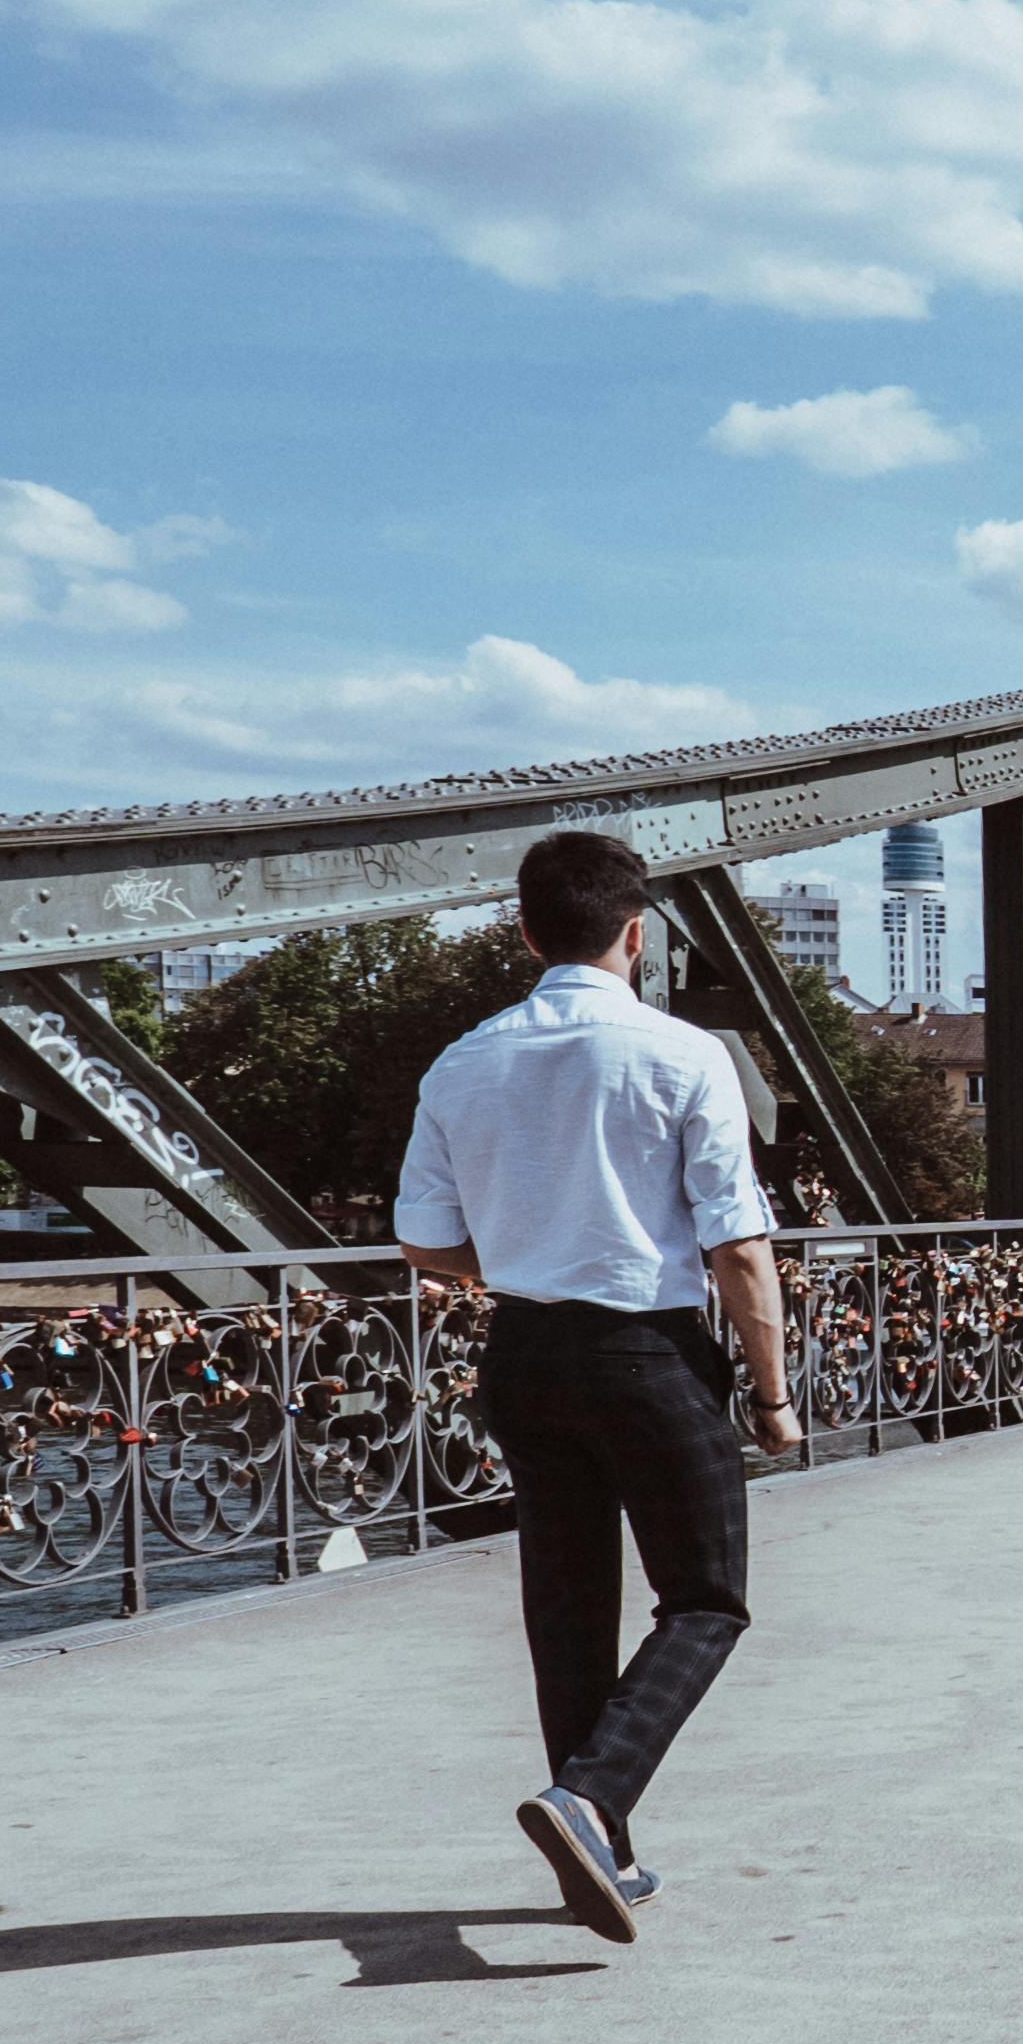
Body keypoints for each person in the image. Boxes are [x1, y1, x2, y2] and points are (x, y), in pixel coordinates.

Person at [393, 830, 796, 1947]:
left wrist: (527, 1253)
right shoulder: (680, 1053)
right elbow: (739, 1248)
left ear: (525, 931)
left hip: (523, 1354)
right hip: (648, 1353)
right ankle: (588, 1795)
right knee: (707, 1596)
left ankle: (601, 1849)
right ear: (638, 933)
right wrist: (771, 1393)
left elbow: (424, 1241)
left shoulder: (463, 1060)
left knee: (568, 1610)